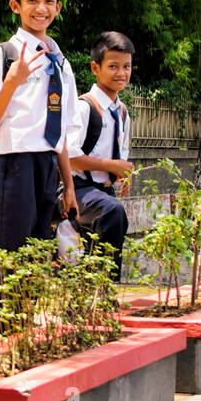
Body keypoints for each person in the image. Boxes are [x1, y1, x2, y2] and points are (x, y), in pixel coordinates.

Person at [0, 0, 79, 329]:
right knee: (4, 256)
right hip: (13, 166)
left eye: (48, 2)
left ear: (58, 7)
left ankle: (18, 335)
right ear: (15, 6)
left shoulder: (62, 62)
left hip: (46, 168)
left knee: (35, 256)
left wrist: (68, 186)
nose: (41, 9)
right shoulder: (3, 54)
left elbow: (62, 133)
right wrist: (12, 81)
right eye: (32, 1)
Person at [66, 31, 135, 280]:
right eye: (113, 66)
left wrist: (121, 177)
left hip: (103, 192)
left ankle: (92, 299)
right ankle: (103, 289)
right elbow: (69, 154)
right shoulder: (84, 107)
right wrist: (110, 164)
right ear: (96, 68)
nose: (121, 73)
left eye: (126, 66)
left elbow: (121, 157)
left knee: (99, 238)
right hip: (77, 190)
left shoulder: (122, 112)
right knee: (112, 213)